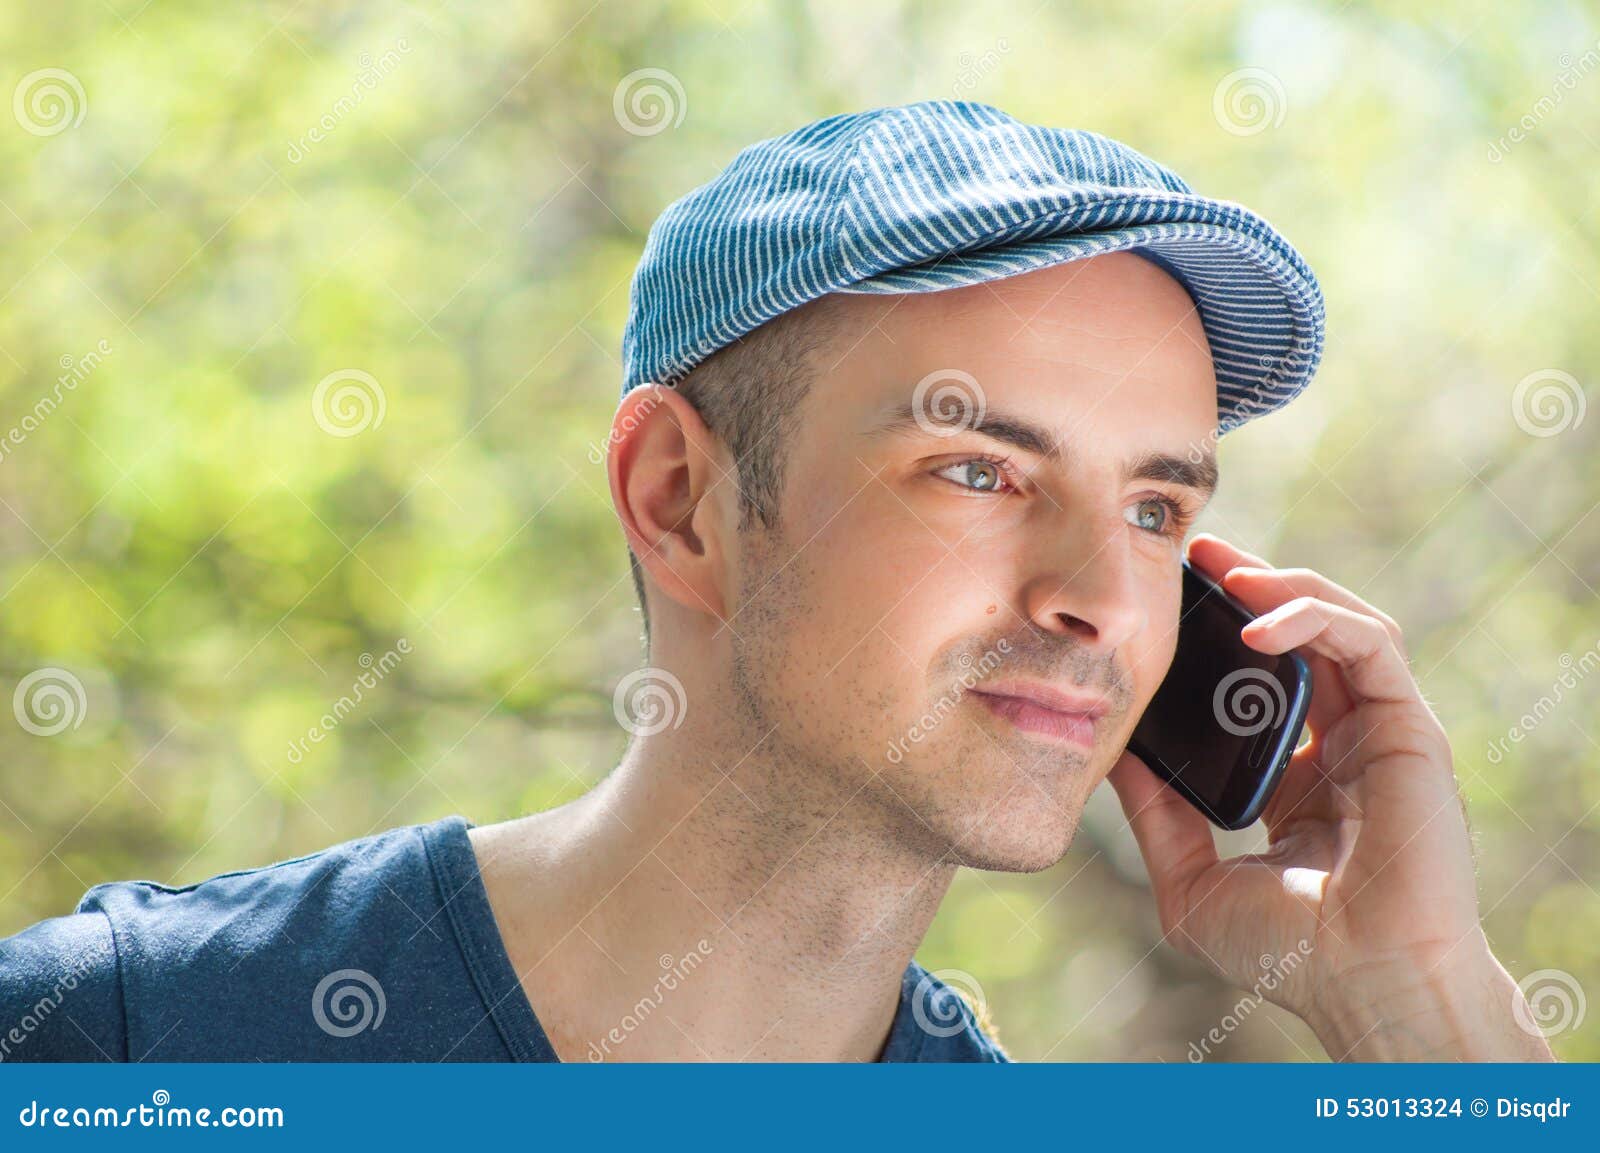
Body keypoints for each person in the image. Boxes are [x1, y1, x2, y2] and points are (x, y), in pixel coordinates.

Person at [0, 100, 1553, 1062]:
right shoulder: (123, 1042)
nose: (1102, 598)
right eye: (980, 470)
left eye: (1156, 506)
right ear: (680, 500)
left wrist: (1419, 1009)